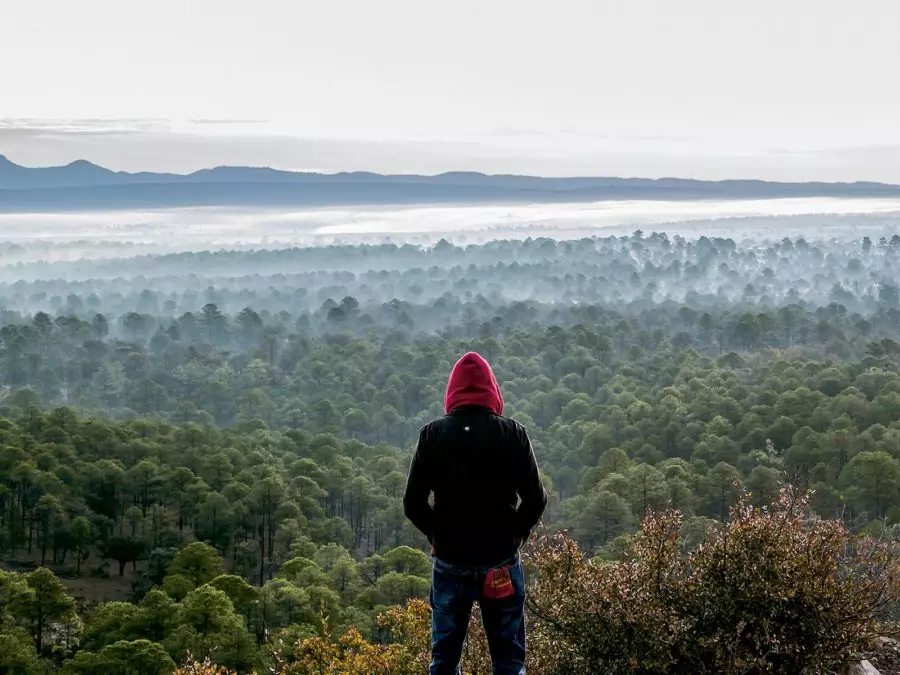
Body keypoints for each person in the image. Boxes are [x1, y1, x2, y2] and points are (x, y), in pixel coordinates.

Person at [404, 352, 548, 675]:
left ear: (452, 393)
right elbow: (536, 499)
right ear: (493, 392)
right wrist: (513, 538)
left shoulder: (432, 435)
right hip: (500, 564)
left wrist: (437, 536)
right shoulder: (513, 434)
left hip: (450, 564)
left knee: (443, 662)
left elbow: (412, 503)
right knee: (509, 661)